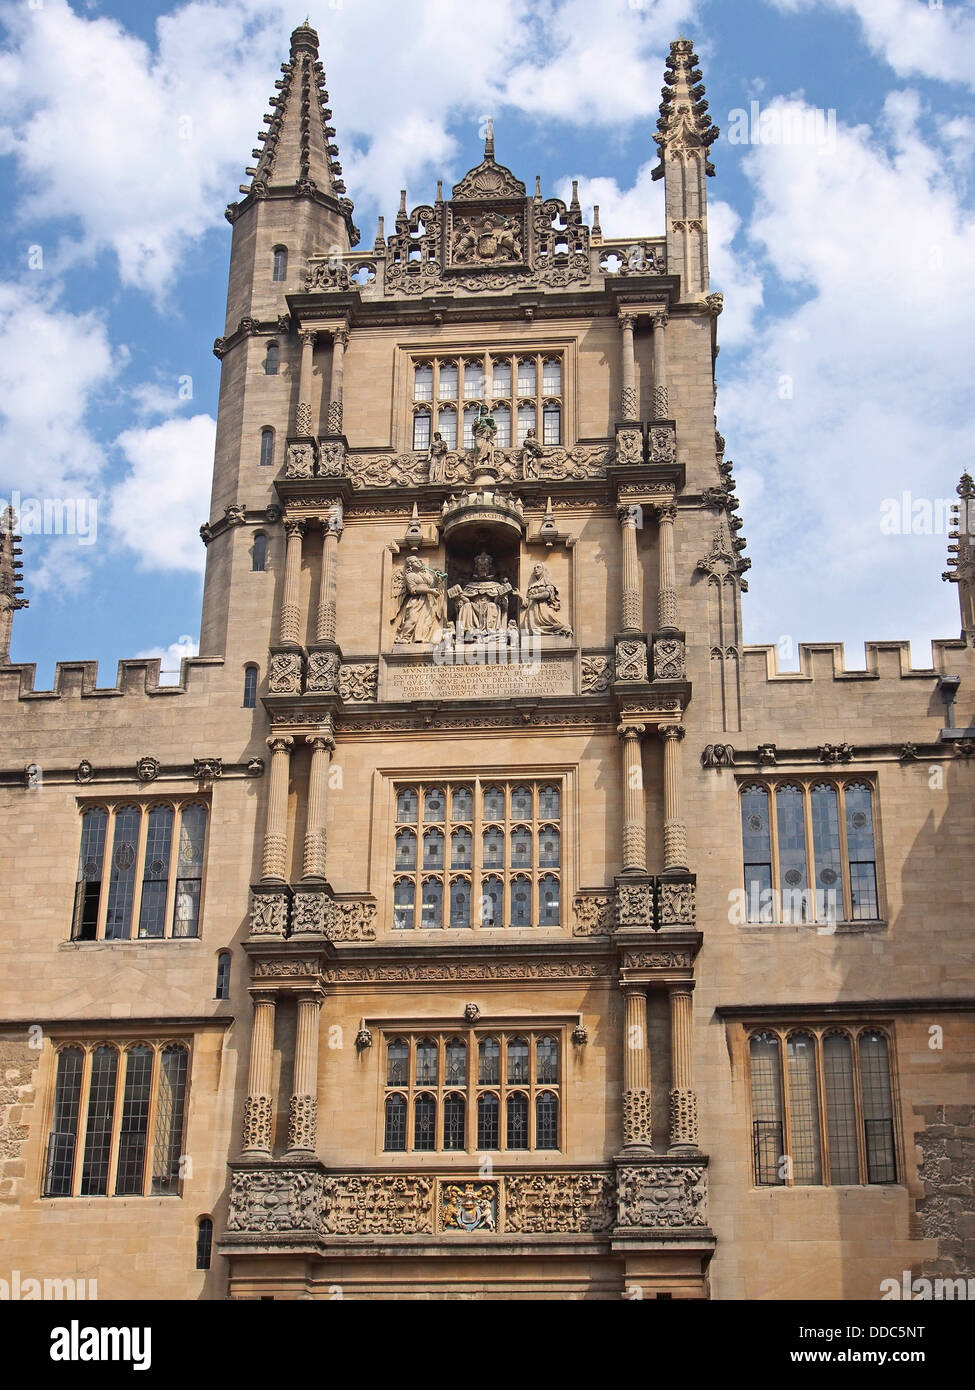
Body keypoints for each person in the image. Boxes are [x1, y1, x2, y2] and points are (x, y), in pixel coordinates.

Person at [449, 551, 513, 635]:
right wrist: (459, 597)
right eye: (480, 565)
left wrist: (501, 597)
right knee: (467, 606)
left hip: (489, 608)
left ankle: (491, 631)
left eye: (485, 565)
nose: (483, 567)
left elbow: (500, 604)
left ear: (490, 567)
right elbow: (466, 602)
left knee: (492, 606)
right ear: (477, 567)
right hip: (474, 608)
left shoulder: (496, 585)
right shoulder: (470, 585)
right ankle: (468, 631)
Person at [392, 557, 447, 643]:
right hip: (416, 600)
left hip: (429, 600)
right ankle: (405, 637)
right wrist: (430, 591)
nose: (418, 562)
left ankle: (420, 637)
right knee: (412, 618)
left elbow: (433, 586)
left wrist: (437, 578)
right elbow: (413, 589)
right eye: (414, 561)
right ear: (410, 565)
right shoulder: (410, 576)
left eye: (418, 561)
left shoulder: (426, 574)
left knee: (427, 620)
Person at [520, 562, 572, 637]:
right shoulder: (532, 585)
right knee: (532, 628)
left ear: (543, 569)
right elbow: (527, 601)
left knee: (553, 622)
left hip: (543, 607)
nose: (535, 569)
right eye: (534, 568)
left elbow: (547, 594)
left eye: (538, 567)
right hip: (532, 609)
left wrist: (534, 596)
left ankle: (560, 629)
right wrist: (520, 595)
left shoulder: (547, 582)